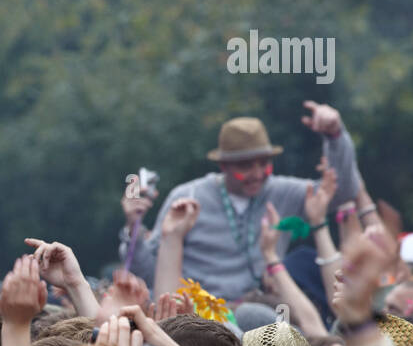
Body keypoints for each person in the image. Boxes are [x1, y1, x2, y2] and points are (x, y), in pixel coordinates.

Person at [121, 108, 362, 302]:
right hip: (201, 319)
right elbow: (150, 274)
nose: (257, 174)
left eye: (264, 164)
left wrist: (335, 137)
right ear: (224, 166)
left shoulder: (281, 191)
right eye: (245, 166)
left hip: (266, 310)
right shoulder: (187, 197)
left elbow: (346, 192)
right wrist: (133, 228)